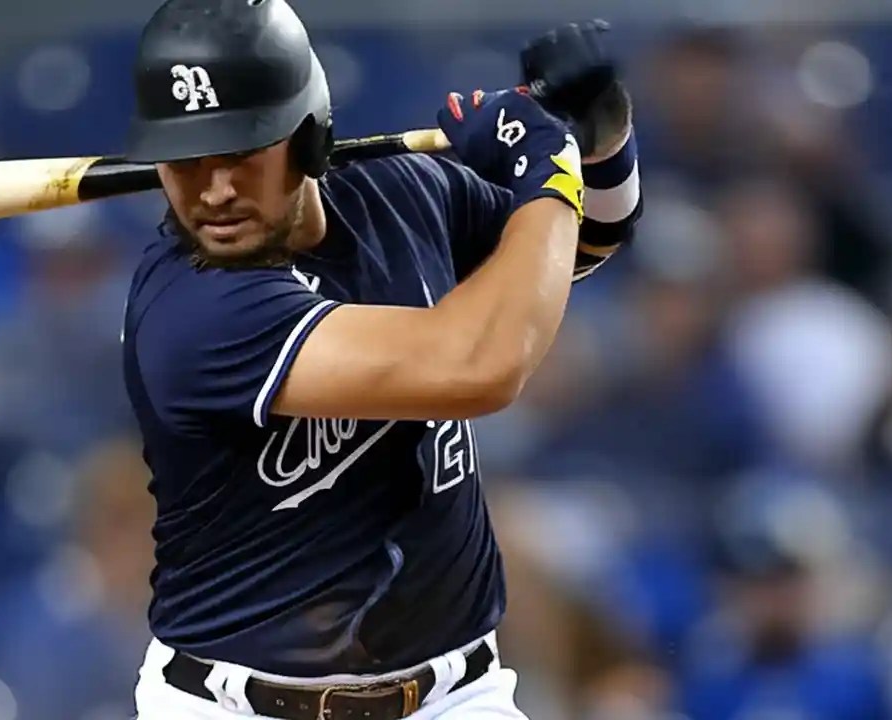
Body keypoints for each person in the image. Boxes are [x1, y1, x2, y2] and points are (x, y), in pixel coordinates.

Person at [119, 1, 643, 717]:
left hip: (454, 696)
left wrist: (598, 139)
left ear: (309, 138)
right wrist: (546, 166)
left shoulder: (399, 192)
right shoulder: (192, 306)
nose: (215, 191)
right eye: (186, 161)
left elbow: (573, 245)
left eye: (239, 153)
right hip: (237, 705)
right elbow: (485, 364)